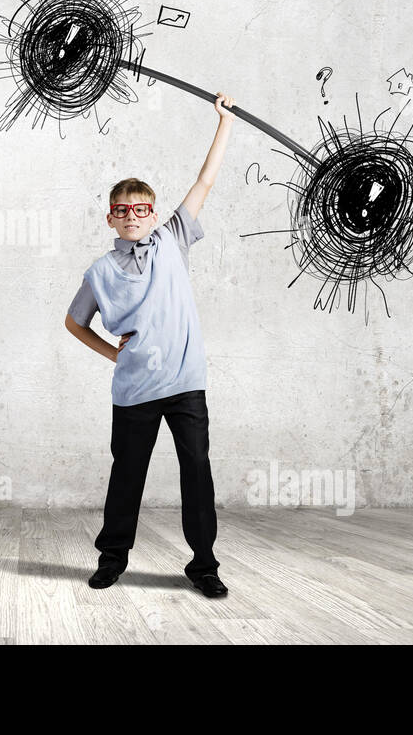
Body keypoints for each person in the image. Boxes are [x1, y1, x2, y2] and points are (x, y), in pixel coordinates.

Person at [63, 92, 235, 598]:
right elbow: (74, 323)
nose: (133, 216)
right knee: (128, 476)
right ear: (111, 218)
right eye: (123, 210)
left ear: (153, 212)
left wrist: (223, 122)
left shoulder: (171, 240)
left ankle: (204, 565)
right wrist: (115, 354)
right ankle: (112, 558)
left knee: (197, 473)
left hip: (185, 384)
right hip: (135, 389)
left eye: (142, 208)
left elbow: (206, 179)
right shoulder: (99, 271)